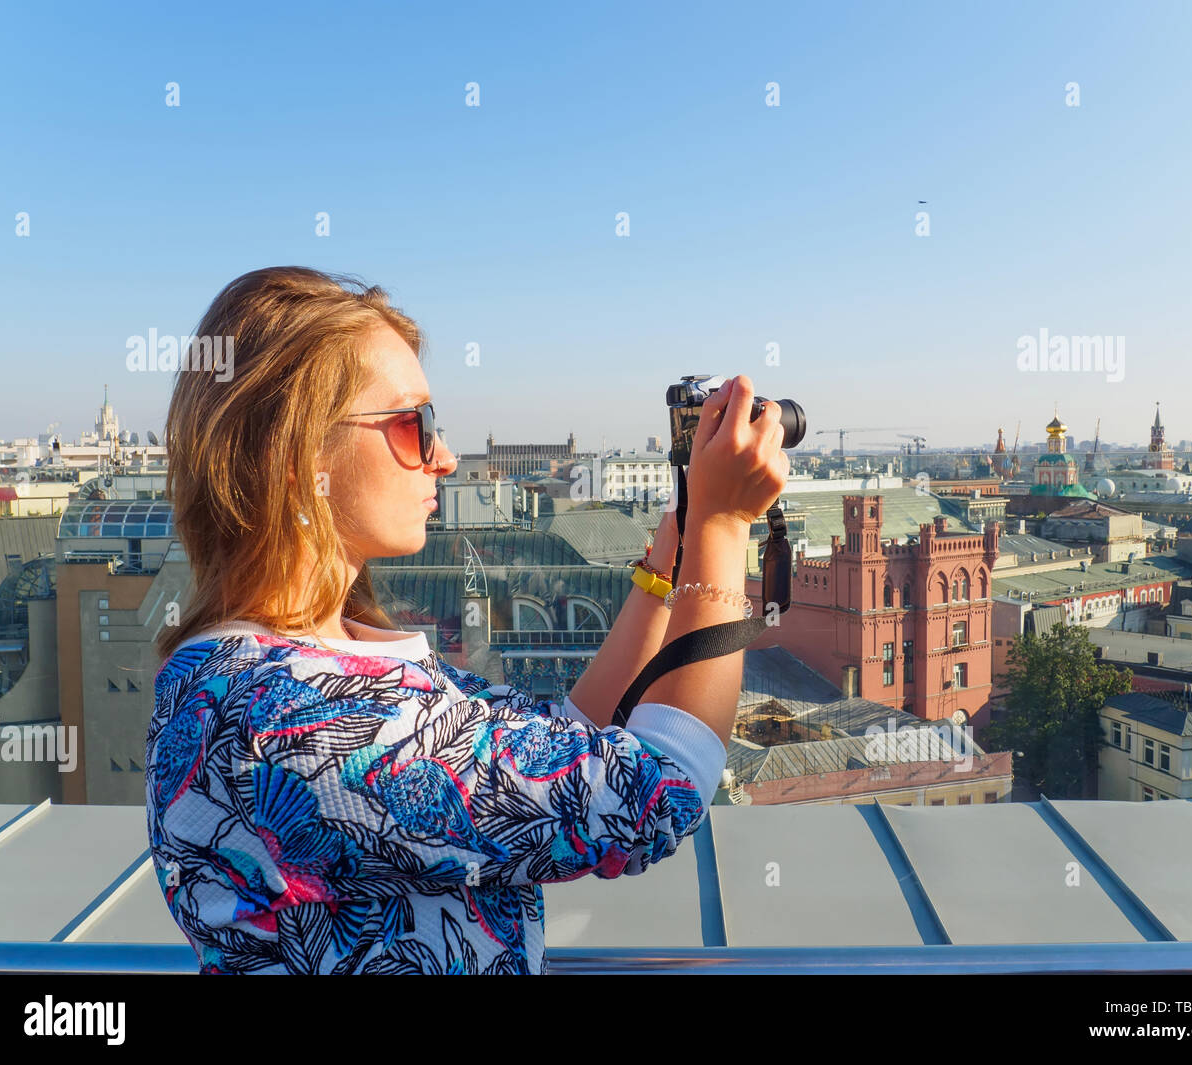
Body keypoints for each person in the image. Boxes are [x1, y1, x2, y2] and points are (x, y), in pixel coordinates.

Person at [145, 266, 789, 974]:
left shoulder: (309, 668)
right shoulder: (280, 714)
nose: (445, 458)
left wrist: (671, 559)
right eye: (412, 423)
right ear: (295, 455)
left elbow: (563, 746)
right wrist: (724, 531)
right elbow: (656, 791)